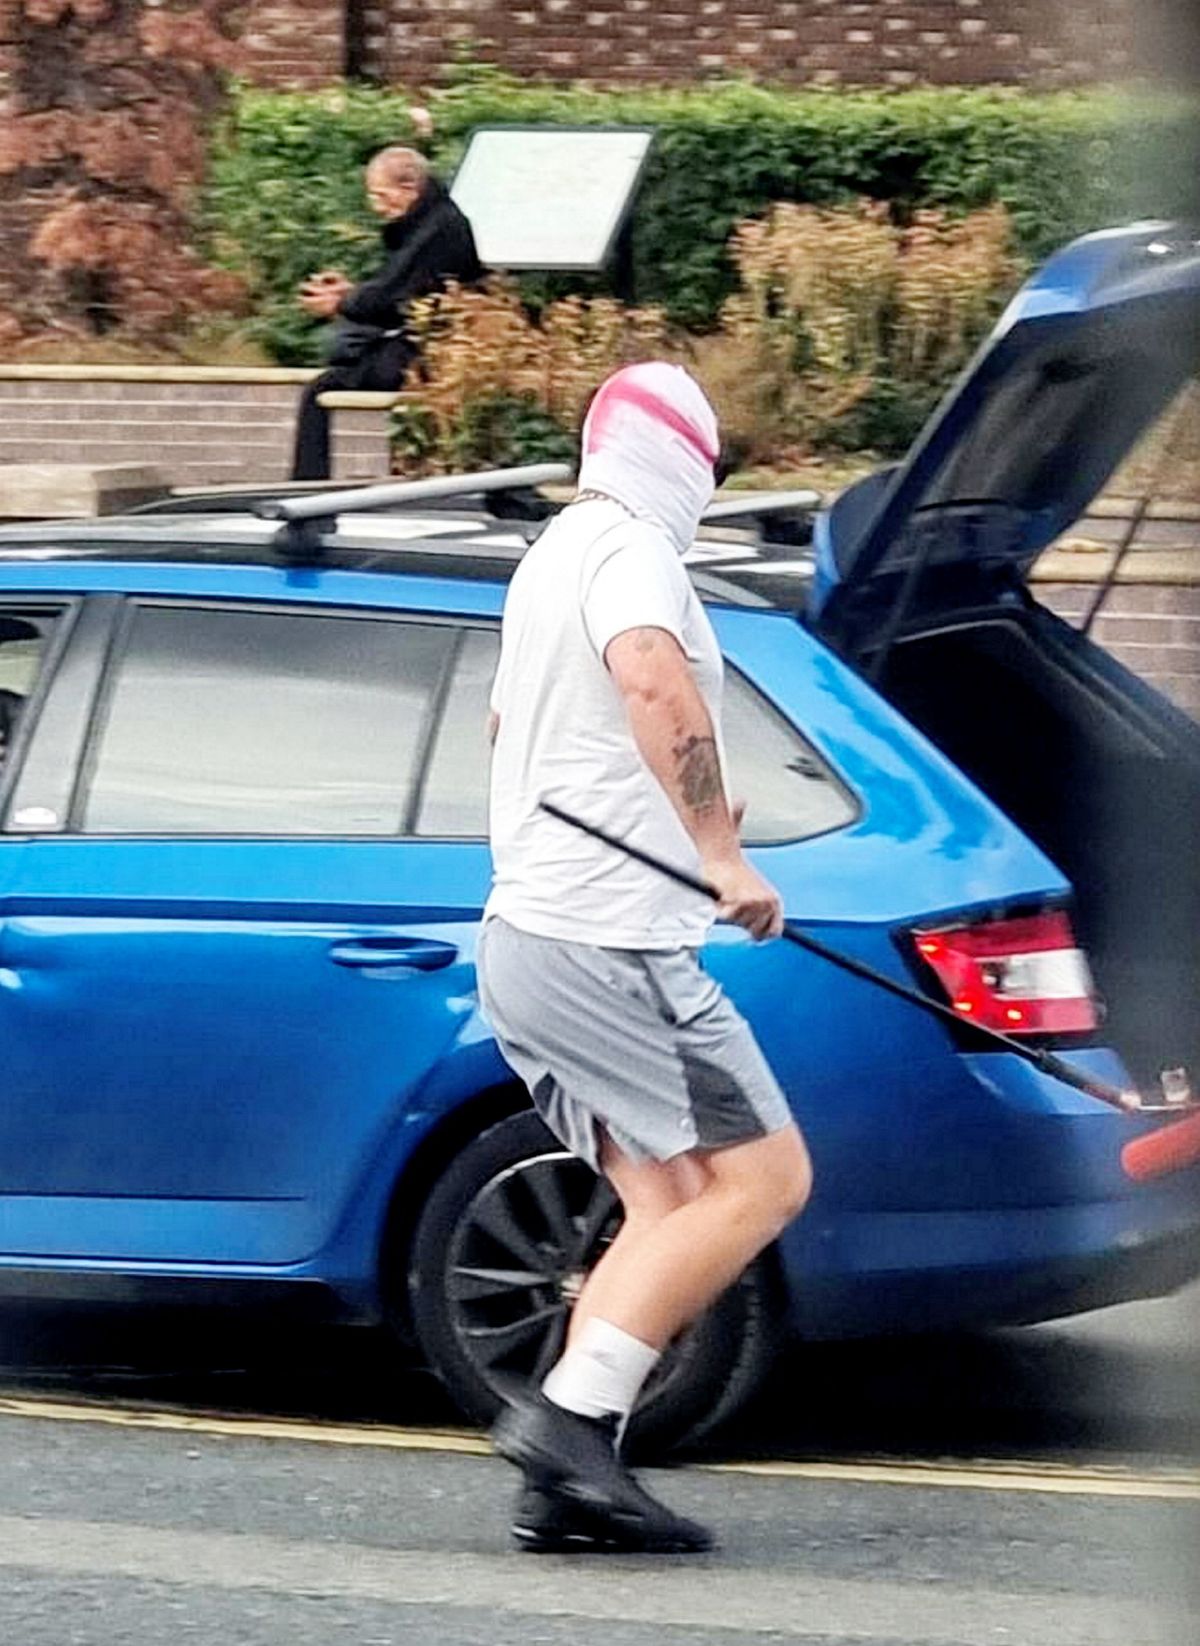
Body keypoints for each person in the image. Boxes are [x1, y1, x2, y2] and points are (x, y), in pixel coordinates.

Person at [478, 362, 813, 1554]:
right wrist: (724, 856)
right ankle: (564, 1424)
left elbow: (510, 727)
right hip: (607, 940)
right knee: (766, 1180)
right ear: (682, 461)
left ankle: (565, 1479)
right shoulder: (635, 555)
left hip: (529, 935)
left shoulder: (551, 554)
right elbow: (651, 678)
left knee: (667, 1201)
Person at [290, 146, 483, 481]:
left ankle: (308, 483)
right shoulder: (432, 223)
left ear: (409, 189)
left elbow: (394, 300)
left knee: (322, 389)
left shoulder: (438, 229)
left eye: (381, 195)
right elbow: (397, 289)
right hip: (425, 344)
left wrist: (341, 302)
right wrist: (349, 293)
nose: (376, 206)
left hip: (429, 352)